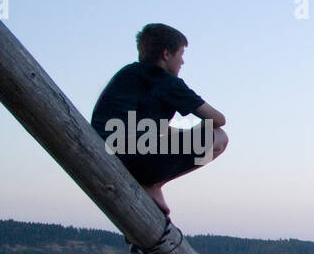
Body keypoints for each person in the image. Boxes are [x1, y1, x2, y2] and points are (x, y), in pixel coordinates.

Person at [90, 23, 228, 219]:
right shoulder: (167, 82)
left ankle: (152, 183)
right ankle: (154, 184)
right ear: (166, 54)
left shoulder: (128, 74)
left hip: (106, 150)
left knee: (189, 134)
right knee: (218, 137)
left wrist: (181, 134)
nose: (182, 62)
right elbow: (218, 119)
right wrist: (195, 131)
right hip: (134, 158)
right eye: (181, 54)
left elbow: (141, 126)